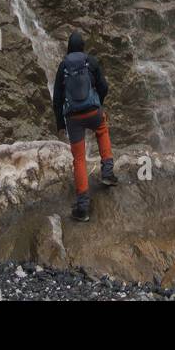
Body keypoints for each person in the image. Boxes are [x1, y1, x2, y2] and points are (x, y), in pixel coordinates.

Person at [53, 29, 117, 221]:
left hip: (73, 118)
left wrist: (60, 123)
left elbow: (57, 99)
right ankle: (107, 172)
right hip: (93, 111)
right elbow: (104, 86)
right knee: (102, 130)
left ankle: (82, 207)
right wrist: (99, 103)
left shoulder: (63, 66)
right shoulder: (91, 61)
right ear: (82, 47)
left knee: (79, 159)